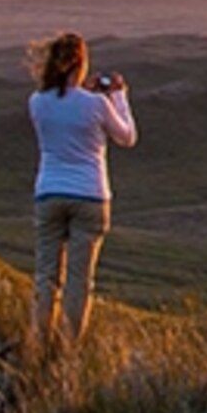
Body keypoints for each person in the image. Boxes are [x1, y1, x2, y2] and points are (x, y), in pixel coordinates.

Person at [24, 30, 136, 353]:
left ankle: (39, 344)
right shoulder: (97, 104)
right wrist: (119, 97)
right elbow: (127, 137)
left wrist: (83, 96)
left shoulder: (37, 102)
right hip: (90, 194)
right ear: (79, 63)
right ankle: (69, 350)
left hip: (49, 192)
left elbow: (62, 116)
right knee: (78, 280)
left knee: (46, 275)